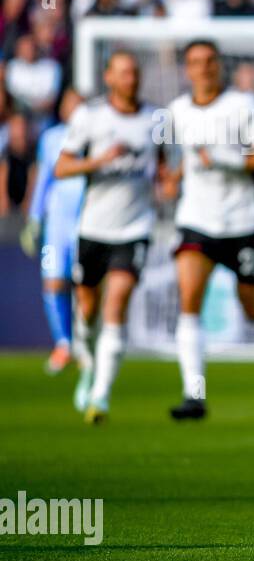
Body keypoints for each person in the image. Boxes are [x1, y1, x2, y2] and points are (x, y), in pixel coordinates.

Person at [166, 39, 254, 421]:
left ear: (220, 65)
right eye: (195, 62)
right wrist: (173, 178)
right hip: (195, 220)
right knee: (189, 298)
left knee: (251, 305)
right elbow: (183, 159)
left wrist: (224, 160)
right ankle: (195, 396)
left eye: (210, 61)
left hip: (240, 221)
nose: (203, 68)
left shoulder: (244, 106)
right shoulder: (176, 111)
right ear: (187, 69)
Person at [53, 53, 168, 423]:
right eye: (123, 73)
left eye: (134, 71)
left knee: (116, 304)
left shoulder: (157, 119)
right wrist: (98, 161)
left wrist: (169, 183)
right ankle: (86, 362)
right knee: (87, 309)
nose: (130, 78)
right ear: (109, 77)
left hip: (134, 229)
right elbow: (62, 166)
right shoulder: (90, 117)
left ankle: (100, 397)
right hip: (93, 229)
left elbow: (163, 165)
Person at [22, 88, 84, 375]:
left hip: (88, 220)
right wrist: (35, 218)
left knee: (85, 286)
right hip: (57, 224)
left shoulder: (95, 136)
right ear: (62, 108)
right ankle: (63, 344)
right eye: (71, 103)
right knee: (53, 282)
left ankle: (83, 346)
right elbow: (44, 176)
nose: (76, 109)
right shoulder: (51, 138)